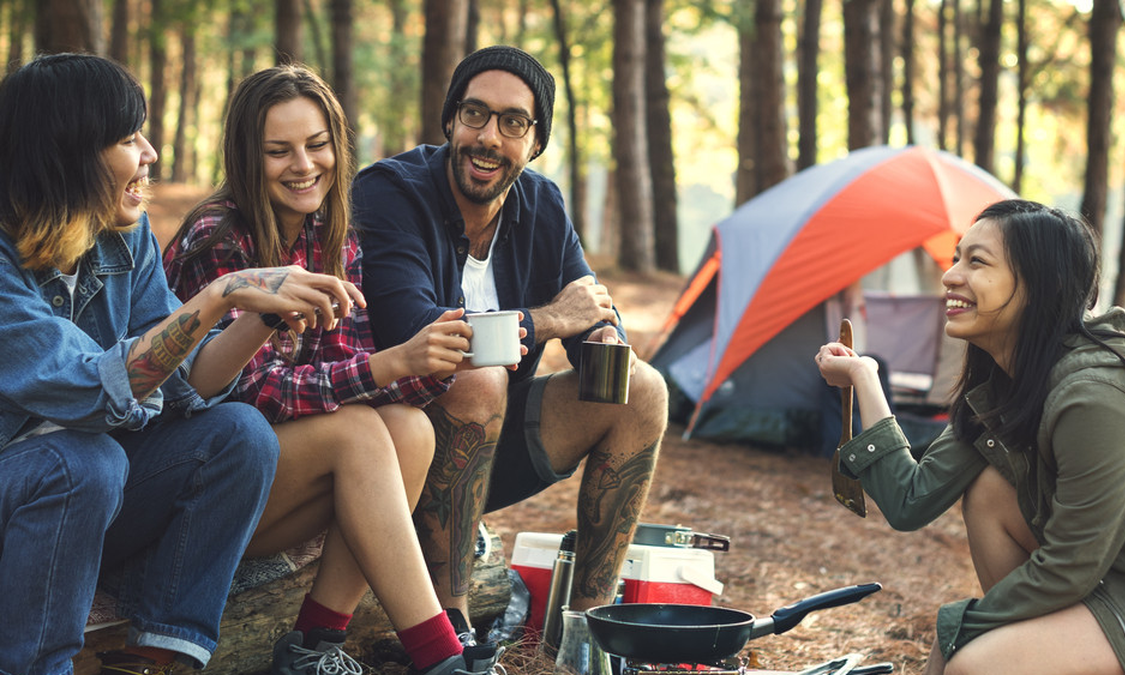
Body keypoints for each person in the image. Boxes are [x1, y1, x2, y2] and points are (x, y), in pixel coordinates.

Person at [0, 54, 368, 675]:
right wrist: (217, 295)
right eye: (126, 139)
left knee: (238, 435)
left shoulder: (124, 236)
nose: (149, 153)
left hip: (97, 491)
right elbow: (92, 389)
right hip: (29, 487)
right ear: (64, 153)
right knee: (83, 459)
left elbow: (187, 380)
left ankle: (154, 660)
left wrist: (263, 310)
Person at [164, 65, 502, 675]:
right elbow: (244, 393)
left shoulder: (332, 229)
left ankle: (312, 647)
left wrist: (435, 360)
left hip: (288, 484)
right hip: (210, 484)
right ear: (246, 155)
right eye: (278, 151)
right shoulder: (218, 238)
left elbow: (348, 368)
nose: (304, 165)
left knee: (409, 427)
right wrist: (384, 366)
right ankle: (441, 659)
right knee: (358, 431)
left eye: (317, 145)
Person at [351, 44, 669, 657]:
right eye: (475, 114)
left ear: (535, 142)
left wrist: (605, 337)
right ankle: (451, 621)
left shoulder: (541, 204)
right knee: (478, 376)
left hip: (490, 452)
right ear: (450, 121)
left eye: (513, 123)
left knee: (642, 389)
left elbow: (590, 309)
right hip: (392, 453)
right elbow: (420, 332)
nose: (489, 137)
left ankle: (588, 629)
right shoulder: (390, 192)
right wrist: (551, 318)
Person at [814, 199, 1125, 675]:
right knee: (990, 492)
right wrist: (864, 377)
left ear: (1042, 287)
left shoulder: (1099, 395)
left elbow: (1070, 567)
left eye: (977, 262)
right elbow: (909, 501)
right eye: (957, 257)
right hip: (1115, 572)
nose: (951, 275)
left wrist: (962, 628)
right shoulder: (1006, 383)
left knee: (972, 665)